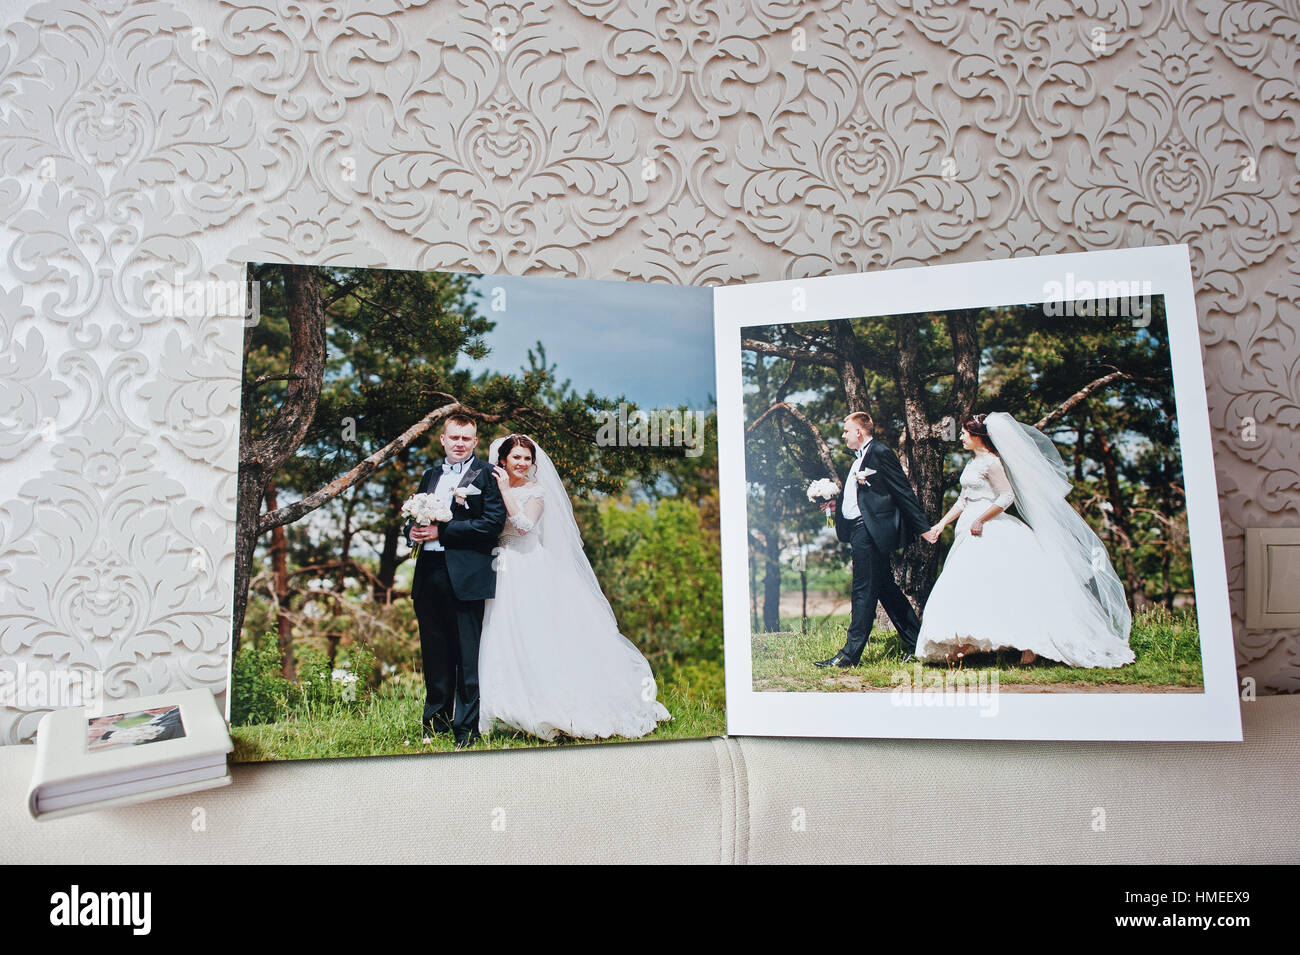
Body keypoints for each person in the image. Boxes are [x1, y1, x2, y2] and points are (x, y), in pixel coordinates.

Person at [477, 434, 672, 741]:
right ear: (503, 460)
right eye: (516, 457)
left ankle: (550, 705)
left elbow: (525, 526)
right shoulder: (490, 489)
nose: (522, 463)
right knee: (503, 634)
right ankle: (507, 707)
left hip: (529, 568)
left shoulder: (536, 492)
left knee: (536, 635)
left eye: (527, 458)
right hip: (500, 568)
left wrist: (503, 489)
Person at [917, 412, 1134, 667]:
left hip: (989, 528)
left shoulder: (993, 463)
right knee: (974, 586)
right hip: (968, 529)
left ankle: (1030, 645)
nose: (961, 437)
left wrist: (982, 519)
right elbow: (963, 499)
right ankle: (973, 640)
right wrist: (942, 524)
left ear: (978, 437)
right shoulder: (972, 463)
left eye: (965, 433)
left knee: (1006, 586)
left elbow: (1006, 496)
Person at [406, 414, 506, 748]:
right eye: (454, 437)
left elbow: (491, 524)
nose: (459, 443)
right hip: (429, 572)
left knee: (467, 656)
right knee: (434, 654)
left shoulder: (487, 475)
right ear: (443, 440)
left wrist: (443, 530)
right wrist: (412, 532)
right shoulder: (429, 475)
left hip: (467, 576)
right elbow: (410, 521)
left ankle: (466, 729)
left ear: (475, 441)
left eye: (466, 438)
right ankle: (434, 725)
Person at [815, 411, 931, 667]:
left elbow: (902, 490)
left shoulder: (879, 452)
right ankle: (919, 644)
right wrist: (834, 510)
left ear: (859, 431)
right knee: (886, 590)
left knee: (863, 590)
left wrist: (924, 528)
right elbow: (860, 499)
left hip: (869, 532)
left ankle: (849, 655)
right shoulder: (856, 461)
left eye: (846, 430)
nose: (843, 435)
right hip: (857, 531)